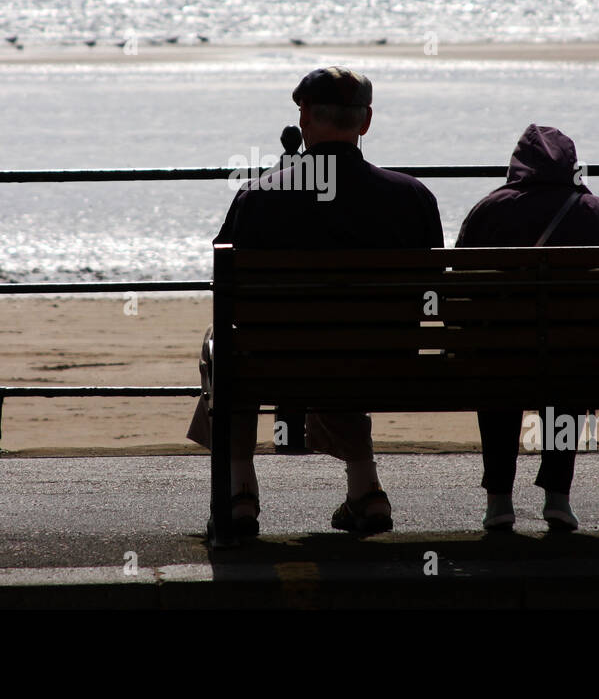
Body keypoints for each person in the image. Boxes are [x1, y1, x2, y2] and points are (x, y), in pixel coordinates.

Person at [187, 66, 444, 537]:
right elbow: (433, 292)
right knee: (344, 346)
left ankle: (239, 493)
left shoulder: (259, 196)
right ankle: (365, 492)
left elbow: (227, 291)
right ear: (365, 121)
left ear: (304, 117)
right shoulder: (412, 197)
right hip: (387, 362)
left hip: (275, 362)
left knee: (224, 346)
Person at [455, 124, 599, 532]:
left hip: (500, 358)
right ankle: (558, 496)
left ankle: (499, 499)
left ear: (517, 164)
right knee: (569, 364)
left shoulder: (489, 210)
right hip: (581, 358)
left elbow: (458, 294)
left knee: (499, 366)